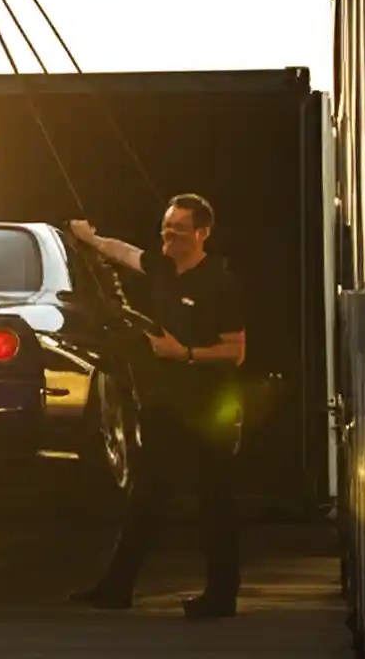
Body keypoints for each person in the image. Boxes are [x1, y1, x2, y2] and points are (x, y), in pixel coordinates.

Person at [66, 193, 247, 620]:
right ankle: (116, 588)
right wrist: (90, 238)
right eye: (166, 226)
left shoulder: (221, 284)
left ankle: (222, 597)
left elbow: (235, 351)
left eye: (178, 228)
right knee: (145, 495)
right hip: (168, 407)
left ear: (201, 234)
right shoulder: (164, 268)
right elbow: (125, 253)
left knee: (216, 502)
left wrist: (181, 353)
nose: (168, 234)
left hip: (210, 409)